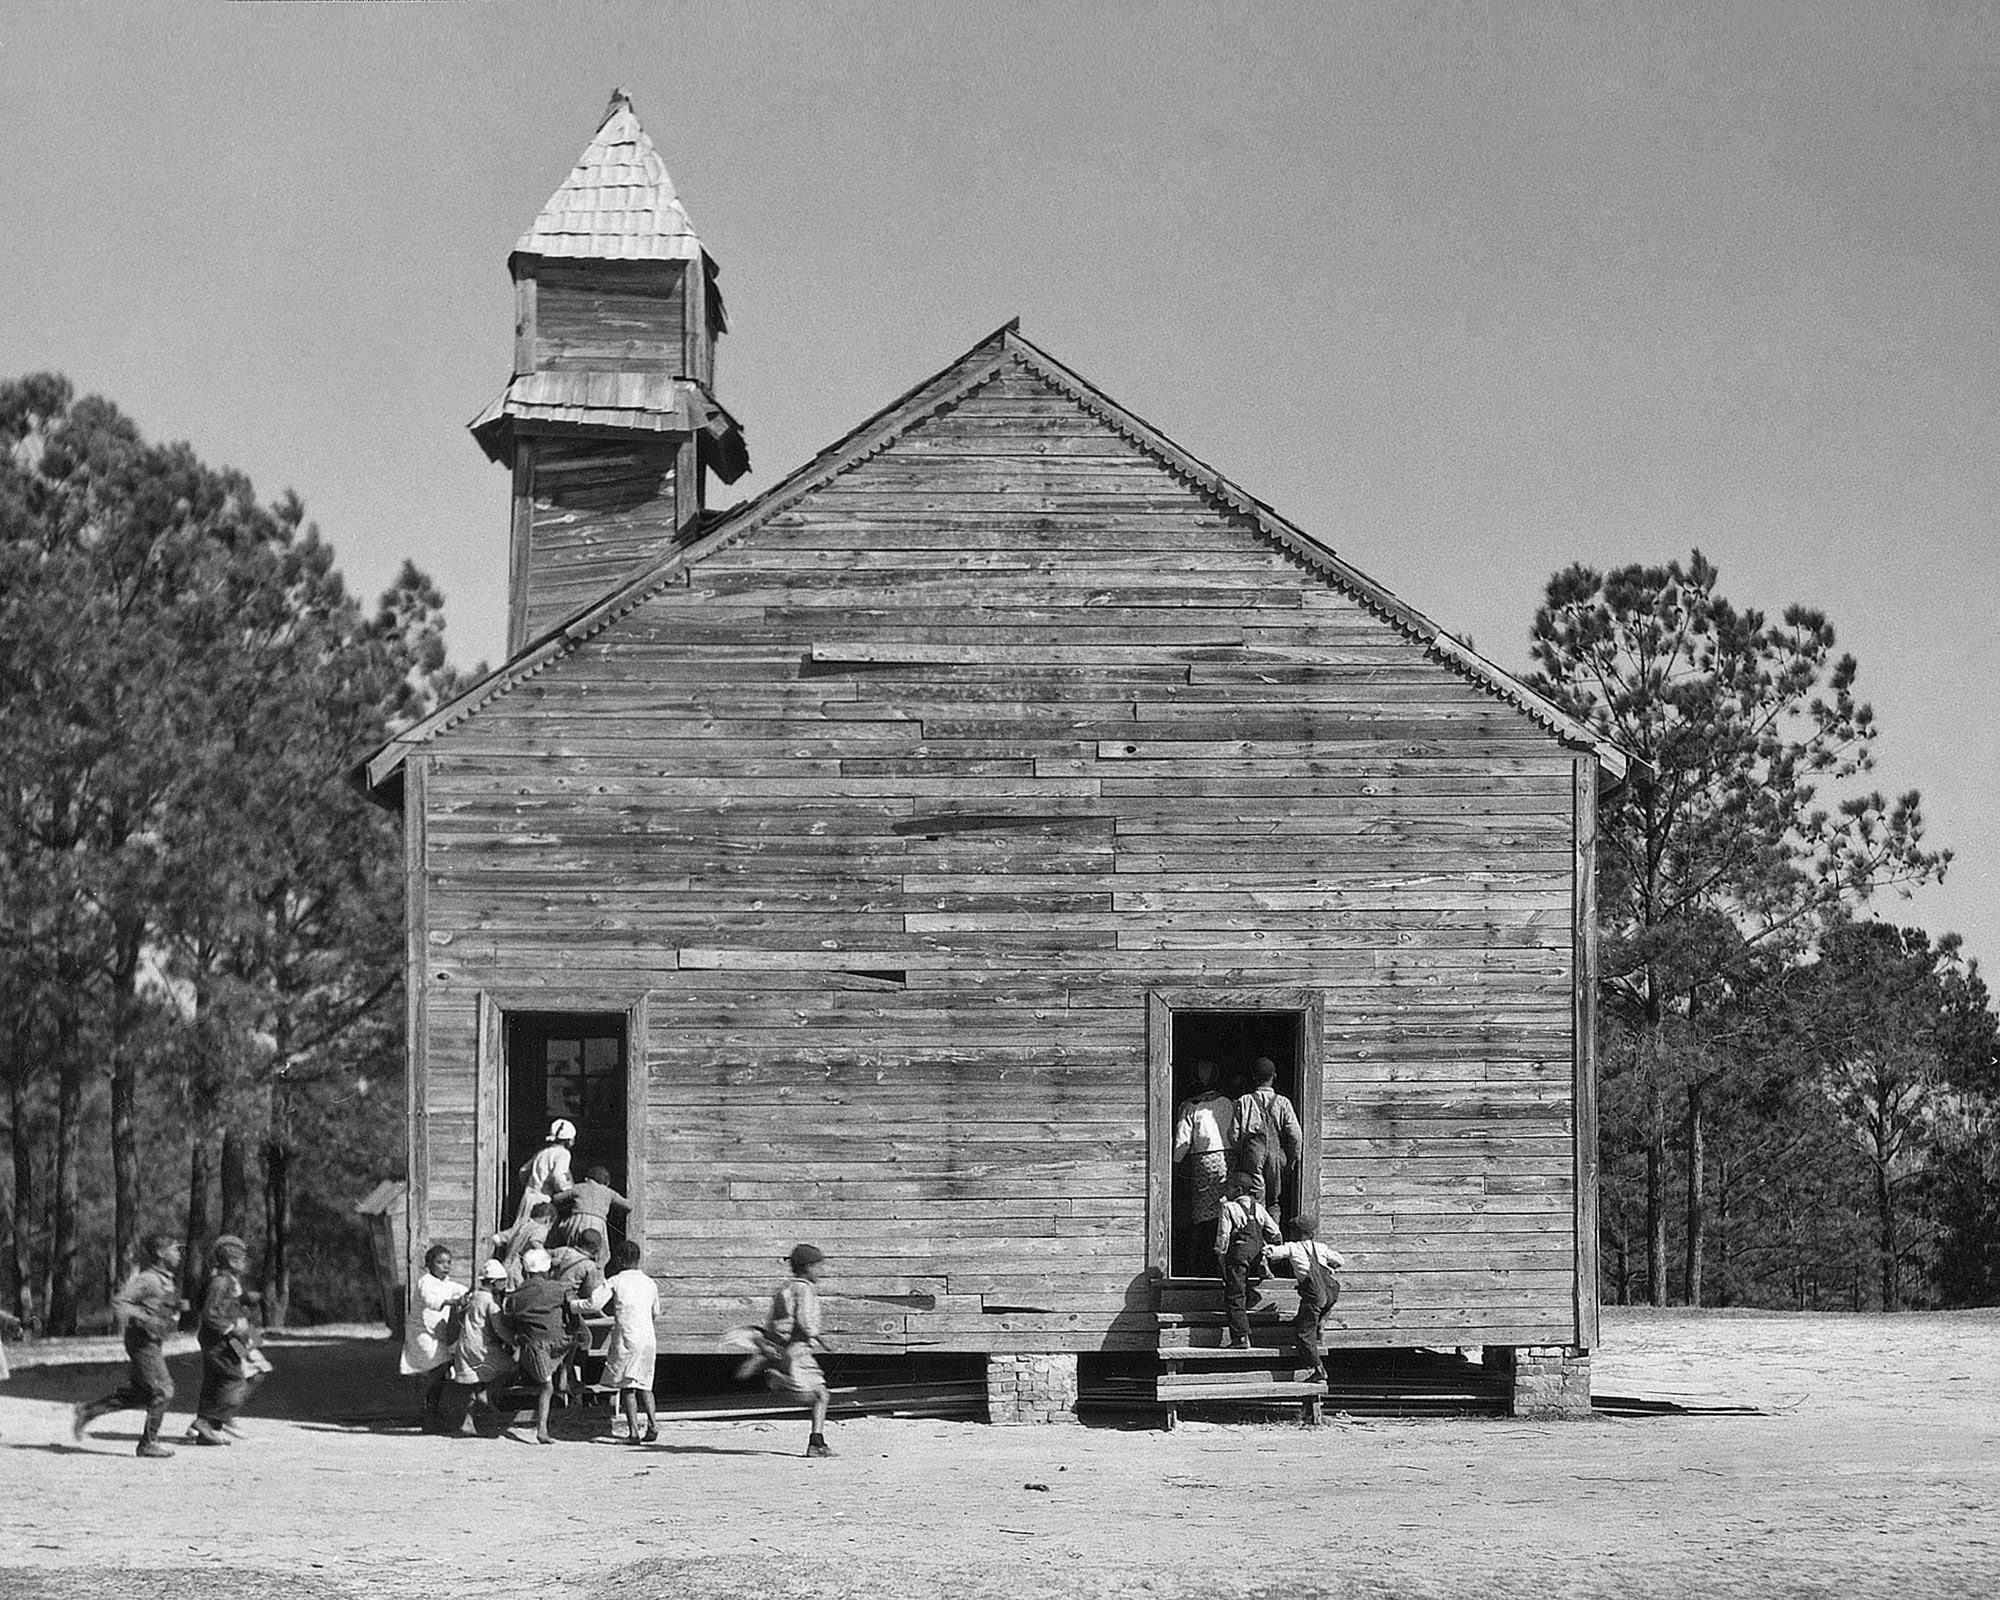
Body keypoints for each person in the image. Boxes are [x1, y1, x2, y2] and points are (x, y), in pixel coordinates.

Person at [73, 1233, 184, 1458]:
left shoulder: (164, 1279)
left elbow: (155, 1305)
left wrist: (174, 1308)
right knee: (164, 1390)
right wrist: (145, 1318)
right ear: (161, 1253)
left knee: (142, 1393)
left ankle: (89, 1411)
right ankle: (148, 1443)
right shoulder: (148, 1279)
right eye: (175, 1249)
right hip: (142, 1342)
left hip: (152, 1341)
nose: (179, 1253)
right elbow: (120, 1301)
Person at [185, 1234, 263, 1446]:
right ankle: (216, 1418)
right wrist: (232, 1330)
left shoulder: (229, 1281)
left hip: (234, 1336)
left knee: (254, 1370)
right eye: (243, 1259)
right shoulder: (221, 1282)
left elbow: (230, 1307)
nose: (247, 1263)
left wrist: (251, 1335)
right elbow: (211, 1312)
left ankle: (210, 1423)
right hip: (223, 1338)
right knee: (236, 1377)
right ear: (232, 1261)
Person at [760, 1244, 834, 1458]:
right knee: (814, 1394)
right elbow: (804, 1320)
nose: (822, 1271)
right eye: (819, 1266)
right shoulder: (805, 1289)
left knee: (822, 1394)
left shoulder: (786, 1288)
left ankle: (817, 1443)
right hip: (799, 1349)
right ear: (808, 1267)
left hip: (786, 1347)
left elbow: (774, 1320)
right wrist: (820, 1339)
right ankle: (782, 1381)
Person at [1171, 1058, 1236, 1275]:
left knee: (1201, 1216)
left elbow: (1182, 1142)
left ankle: (1197, 1266)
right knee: (1226, 1212)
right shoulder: (1228, 1103)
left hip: (1202, 1162)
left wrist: (1174, 1165)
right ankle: (1222, 1267)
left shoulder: (1190, 1107)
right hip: (1228, 1160)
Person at [1264, 1214, 1345, 1382]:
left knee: (1303, 1333)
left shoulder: (1293, 1247)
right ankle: (1320, 1329)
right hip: (1331, 1290)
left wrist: (1265, 1248)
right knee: (1315, 1315)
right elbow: (1339, 1260)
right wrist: (1331, 1266)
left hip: (1315, 1294)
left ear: (1299, 1233)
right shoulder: (1321, 1247)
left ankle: (1318, 1368)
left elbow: (1274, 1253)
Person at [503, 1246, 571, 1445]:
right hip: (558, 1345)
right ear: (547, 1270)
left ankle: (542, 1427)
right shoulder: (557, 1289)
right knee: (547, 1386)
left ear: (525, 1272)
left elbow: (510, 1320)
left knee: (545, 1384)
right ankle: (542, 1428)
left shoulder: (516, 1295)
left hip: (533, 1347)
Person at [400, 1243, 467, 1432]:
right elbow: (431, 1300)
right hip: (423, 1334)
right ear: (429, 1264)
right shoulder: (425, 1282)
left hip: (437, 1333)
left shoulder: (448, 1283)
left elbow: (460, 1290)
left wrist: (469, 1295)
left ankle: (432, 1413)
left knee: (441, 1370)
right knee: (436, 1369)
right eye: (440, 1262)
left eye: (448, 1262)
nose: (445, 1266)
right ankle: (429, 1415)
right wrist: (452, 1301)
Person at [447, 1259, 518, 1433]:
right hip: (481, 1347)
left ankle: (468, 1422)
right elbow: (499, 1328)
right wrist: (513, 1341)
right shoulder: (490, 1302)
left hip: (466, 1345)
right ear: (494, 1283)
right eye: (502, 1281)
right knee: (512, 1367)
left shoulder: (473, 1296)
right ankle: (486, 1395)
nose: (504, 1285)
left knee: (475, 1383)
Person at [1214, 1173, 1282, 1349]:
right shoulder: (1259, 1208)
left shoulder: (1228, 1207)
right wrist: (1269, 1252)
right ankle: (1262, 1267)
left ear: (1238, 1190)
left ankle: (1240, 1338)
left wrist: (1220, 1254)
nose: (1225, 1190)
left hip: (1239, 1251)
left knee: (1234, 1294)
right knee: (1243, 1286)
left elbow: (1224, 1234)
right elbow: (1275, 1232)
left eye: (1228, 1187)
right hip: (1256, 1251)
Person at [601, 1239, 660, 1444]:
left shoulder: (616, 1281)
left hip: (628, 1337)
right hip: (648, 1337)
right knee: (646, 1384)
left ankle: (634, 1432)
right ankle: (653, 1425)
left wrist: (574, 1305)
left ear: (619, 1260)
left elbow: (595, 1303)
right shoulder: (649, 1283)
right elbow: (656, 1312)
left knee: (628, 1386)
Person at [1234, 1058, 1304, 1223]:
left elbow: (1234, 1134)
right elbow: (1296, 1135)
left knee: (1254, 1199)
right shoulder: (1282, 1102)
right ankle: (1273, 1240)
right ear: (1274, 1076)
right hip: (1275, 1155)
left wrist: (1242, 1153)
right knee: (1273, 1201)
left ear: (1253, 1077)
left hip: (1252, 1154)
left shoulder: (1244, 1101)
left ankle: (1257, 1240)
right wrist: (1293, 1158)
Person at [553, 1167, 629, 1268]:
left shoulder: (579, 1187)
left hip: (577, 1221)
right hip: (597, 1223)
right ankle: (595, 1274)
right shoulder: (608, 1192)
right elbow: (628, 1206)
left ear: (587, 1178)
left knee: (574, 1251)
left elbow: (557, 1198)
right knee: (602, 1255)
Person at [515, 1119, 577, 1224]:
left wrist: (531, 1186)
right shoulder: (563, 1154)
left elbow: (523, 1171)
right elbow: (558, 1176)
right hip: (543, 1202)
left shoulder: (542, 1152)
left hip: (528, 1198)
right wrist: (567, 1191)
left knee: (521, 1231)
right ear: (568, 1140)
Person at [491, 1200, 556, 1290]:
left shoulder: (522, 1224)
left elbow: (501, 1238)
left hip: (506, 1265)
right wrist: (546, 1256)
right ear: (548, 1219)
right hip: (519, 1270)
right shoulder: (540, 1228)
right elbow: (535, 1242)